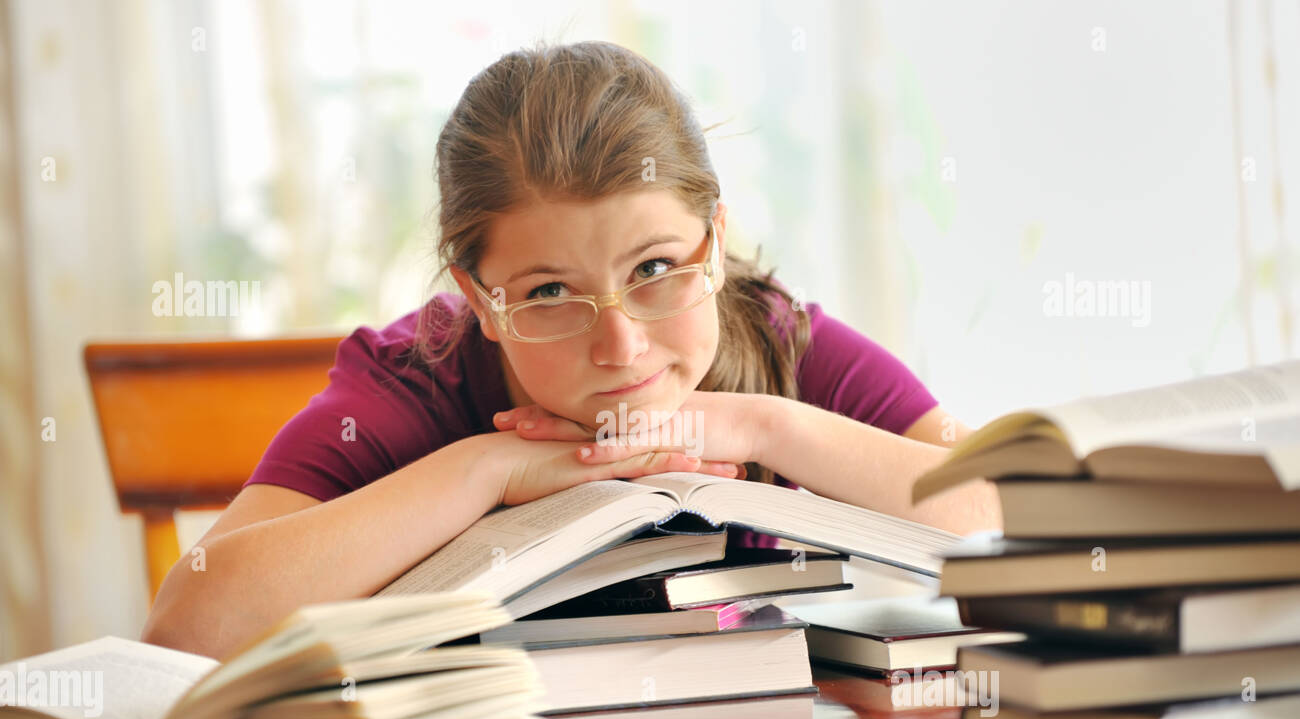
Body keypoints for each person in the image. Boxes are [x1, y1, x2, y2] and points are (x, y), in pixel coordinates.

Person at [142, 40, 1000, 660]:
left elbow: (1013, 517)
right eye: (551, 292)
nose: (621, 343)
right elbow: (195, 622)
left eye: (657, 267)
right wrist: (488, 469)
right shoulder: (415, 380)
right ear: (478, 298)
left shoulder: (775, 338)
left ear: (716, 237)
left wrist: (762, 427)